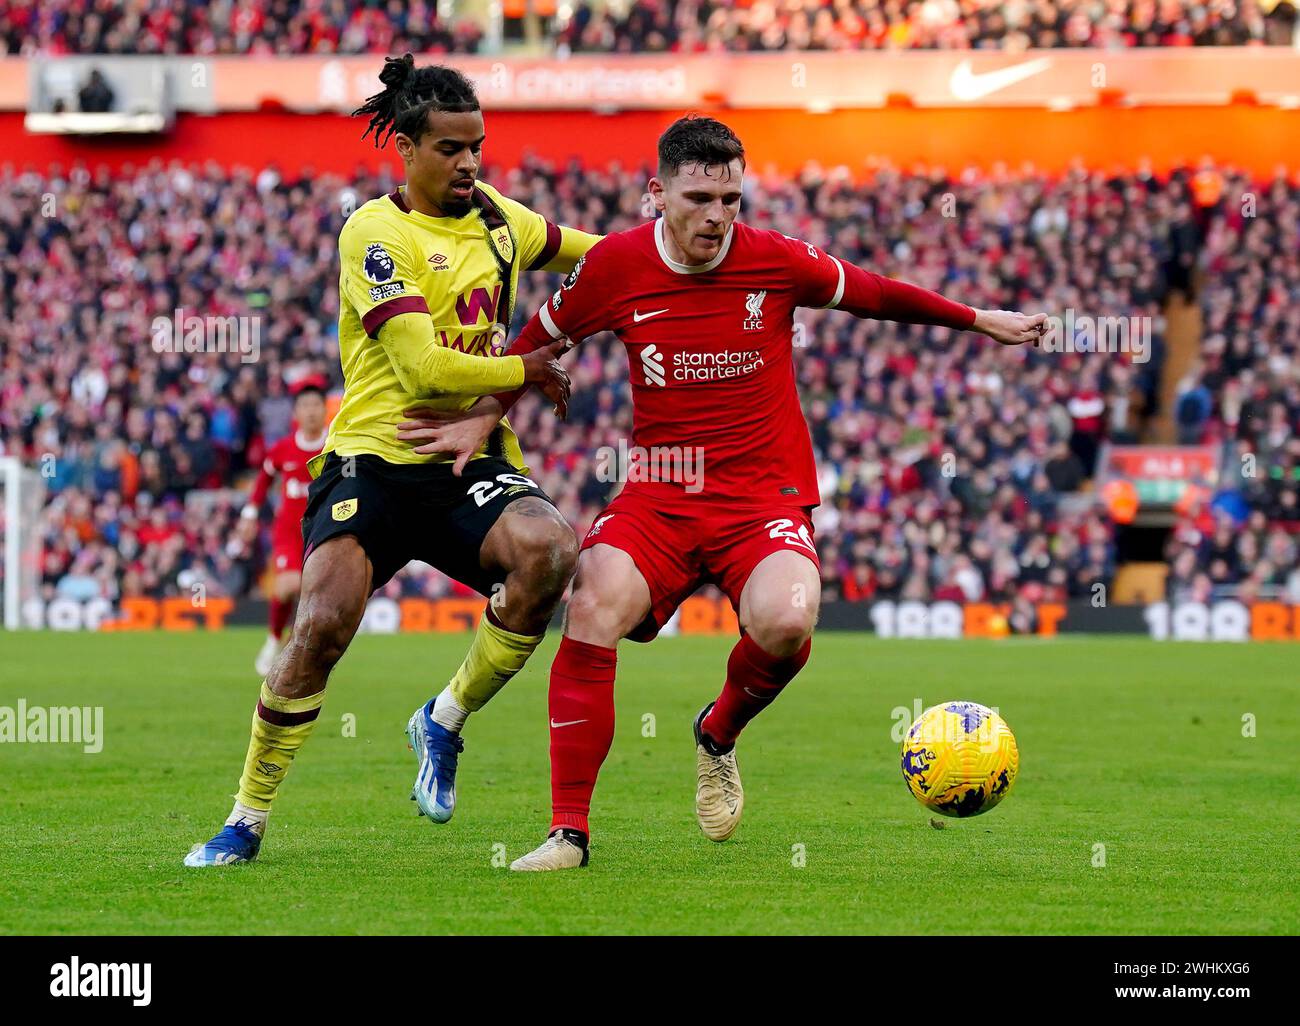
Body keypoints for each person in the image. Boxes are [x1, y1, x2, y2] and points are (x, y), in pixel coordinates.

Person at [400, 115, 1046, 871]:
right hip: (660, 494)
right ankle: (568, 834)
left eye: (731, 198)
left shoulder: (775, 261)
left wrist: (976, 320)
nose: (717, 216)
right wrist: (482, 418)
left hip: (761, 494)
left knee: (788, 620)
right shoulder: (615, 266)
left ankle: (718, 734)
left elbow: (872, 292)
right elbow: (537, 341)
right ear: (658, 193)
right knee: (593, 602)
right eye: (701, 196)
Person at [184, 54, 602, 867]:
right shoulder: (374, 233)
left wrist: (676, 240)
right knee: (323, 625)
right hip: (373, 461)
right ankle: (246, 818)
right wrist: (529, 367)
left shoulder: (499, 221)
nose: (470, 162)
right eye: (450, 148)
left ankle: (443, 718)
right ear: (406, 148)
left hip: (465, 464)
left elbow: (601, 258)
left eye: (477, 145)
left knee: (551, 550)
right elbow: (422, 369)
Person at [243, 379, 330, 677]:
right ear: (295, 412)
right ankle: (272, 640)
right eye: (305, 406)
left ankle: (294, 650)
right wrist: (249, 513)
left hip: (325, 531)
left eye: (316, 405)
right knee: (289, 586)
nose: (311, 412)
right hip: (289, 532)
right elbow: (264, 479)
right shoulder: (283, 449)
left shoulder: (336, 447)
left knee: (316, 596)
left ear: (324, 410)